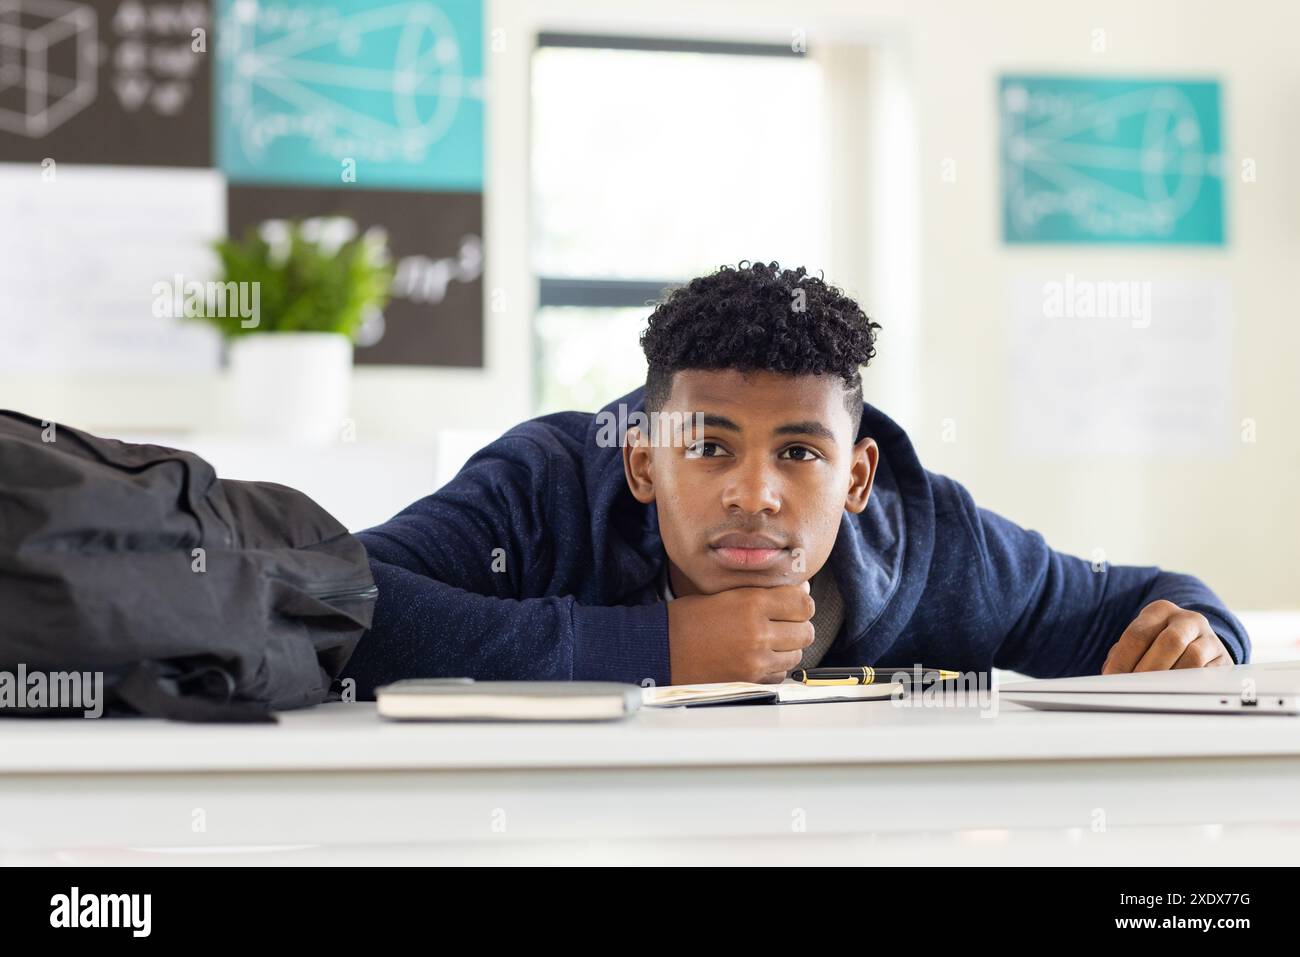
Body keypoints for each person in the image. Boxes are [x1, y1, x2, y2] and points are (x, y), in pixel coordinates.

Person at [339, 261, 1248, 697]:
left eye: (800, 453)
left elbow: (1148, 601)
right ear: (644, 461)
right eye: (709, 447)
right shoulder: (542, 490)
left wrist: (1206, 636)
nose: (755, 493)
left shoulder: (936, 543)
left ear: (857, 477)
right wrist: (652, 649)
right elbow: (337, 603)